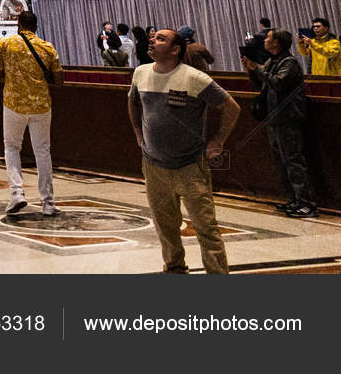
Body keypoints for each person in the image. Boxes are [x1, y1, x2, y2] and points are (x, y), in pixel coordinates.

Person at [129, 28, 240, 274]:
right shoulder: (141, 73)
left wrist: (217, 141)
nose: (152, 41)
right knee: (165, 226)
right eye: (153, 37)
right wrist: (138, 134)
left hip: (190, 166)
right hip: (154, 166)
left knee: (205, 226)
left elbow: (231, 108)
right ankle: (175, 269)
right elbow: (133, 103)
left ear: (175, 49)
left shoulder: (194, 78)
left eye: (160, 39)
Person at [0, 10, 63, 215]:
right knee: (43, 151)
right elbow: (59, 79)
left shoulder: (6, 44)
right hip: (41, 106)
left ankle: (17, 194)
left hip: (14, 104)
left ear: (18, 25)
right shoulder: (47, 47)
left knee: (12, 148)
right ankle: (48, 203)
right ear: (36, 27)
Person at [242, 28, 317, 218]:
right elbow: (261, 85)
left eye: (268, 39)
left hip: (288, 119)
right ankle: (293, 199)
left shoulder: (289, 63)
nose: (265, 42)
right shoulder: (271, 61)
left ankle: (307, 204)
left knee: (294, 161)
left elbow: (278, 82)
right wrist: (250, 70)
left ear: (276, 43)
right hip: (273, 118)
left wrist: (256, 68)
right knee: (281, 162)